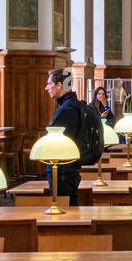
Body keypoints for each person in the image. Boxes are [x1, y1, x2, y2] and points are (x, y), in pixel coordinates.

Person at [45, 68, 84, 206]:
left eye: (49, 84)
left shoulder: (66, 110)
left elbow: (51, 141)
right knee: (70, 208)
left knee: (63, 210)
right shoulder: (73, 105)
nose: (46, 88)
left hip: (61, 169)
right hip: (67, 168)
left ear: (59, 85)